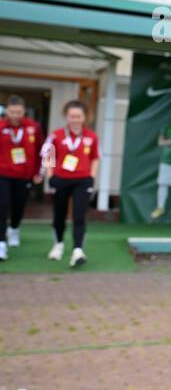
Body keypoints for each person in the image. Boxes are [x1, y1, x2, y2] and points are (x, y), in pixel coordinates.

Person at [40, 99, 100, 268]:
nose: (75, 119)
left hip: (82, 181)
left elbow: (95, 157)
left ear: (84, 117)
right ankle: (58, 244)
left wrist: (92, 176)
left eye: (78, 116)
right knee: (59, 214)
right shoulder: (56, 135)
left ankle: (78, 250)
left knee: (79, 215)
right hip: (60, 179)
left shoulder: (91, 136)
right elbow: (48, 155)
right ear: (66, 117)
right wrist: (51, 176)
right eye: (71, 116)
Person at [0, 94, 44, 261]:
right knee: (2, 206)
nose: (15, 116)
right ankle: (1, 244)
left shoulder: (34, 127)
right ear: (7, 111)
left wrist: (40, 172)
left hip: (24, 175)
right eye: (12, 112)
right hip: (2, 174)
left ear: (24, 111)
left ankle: (14, 229)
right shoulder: (0, 126)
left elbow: (44, 149)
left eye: (19, 112)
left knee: (18, 206)